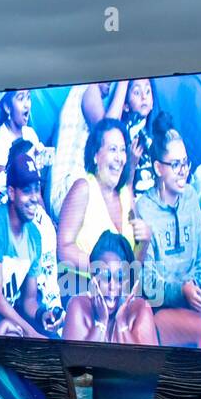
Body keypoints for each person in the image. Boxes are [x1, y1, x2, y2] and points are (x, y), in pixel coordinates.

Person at [135, 120, 201, 347]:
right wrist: (180, 291)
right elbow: (146, 283)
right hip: (160, 309)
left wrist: (193, 290)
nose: (183, 171)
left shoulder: (190, 196)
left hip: (191, 300)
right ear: (158, 168)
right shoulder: (143, 209)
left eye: (186, 163)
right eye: (176, 164)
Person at [57, 118, 149, 282]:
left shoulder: (126, 194)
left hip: (119, 292)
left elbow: (133, 272)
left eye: (122, 150)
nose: (119, 158)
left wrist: (144, 243)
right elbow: (63, 249)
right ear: (95, 155)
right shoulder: (83, 188)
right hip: (82, 287)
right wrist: (101, 269)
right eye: (113, 149)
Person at [0, 150, 49, 338]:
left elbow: (29, 300)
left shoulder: (35, 236)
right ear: (12, 192)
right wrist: (32, 333)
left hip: (10, 320)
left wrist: (42, 314)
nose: (35, 197)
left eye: (37, 189)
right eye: (27, 190)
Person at [50, 80, 130, 217]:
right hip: (69, 192)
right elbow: (107, 130)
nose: (112, 82)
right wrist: (124, 82)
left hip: (66, 195)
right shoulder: (87, 86)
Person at [62, 232, 157, 344]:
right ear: (93, 277)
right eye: (105, 276)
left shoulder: (141, 309)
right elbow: (74, 360)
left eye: (120, 276)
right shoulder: (78, 306)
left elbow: (147, 361)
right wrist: (101, 323)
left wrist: (122, 324)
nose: (112, 286)